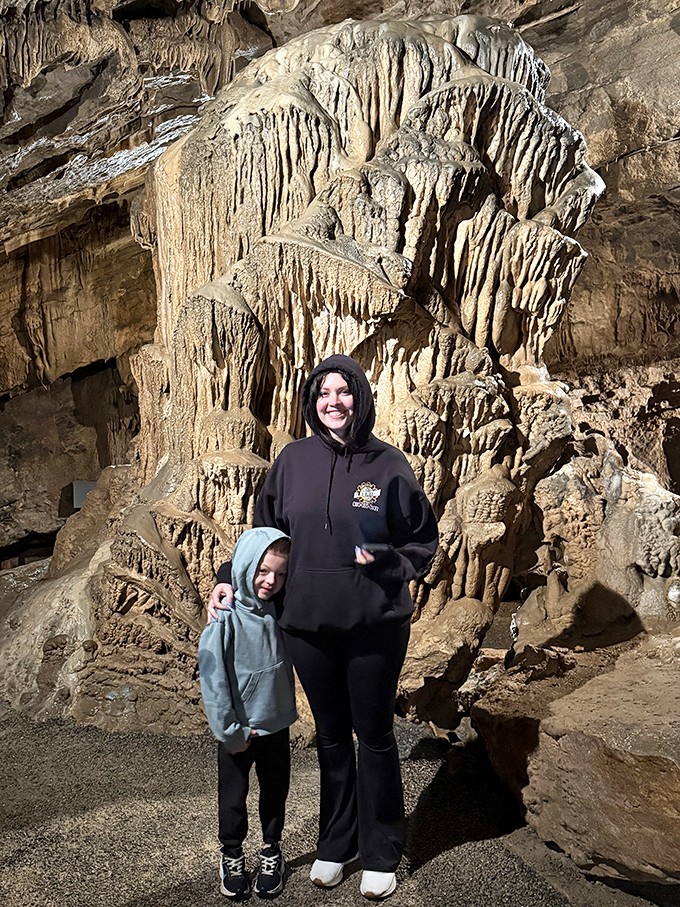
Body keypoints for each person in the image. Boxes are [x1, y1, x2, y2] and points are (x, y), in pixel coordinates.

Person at [207, 354, 438, 900]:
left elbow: (421, 540)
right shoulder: (292, 462)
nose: (334, 402)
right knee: (331, 738)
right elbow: (263, 535)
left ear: (360, 397)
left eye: (344, 391)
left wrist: (388, 563)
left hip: (374, 625)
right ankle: (336, 843)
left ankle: (381, 850)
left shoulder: (389, 465)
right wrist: (226, 577)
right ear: (312, 402)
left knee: (373, 736)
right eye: (324, 393)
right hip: (307, 627)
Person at [199, 527, 297, 899]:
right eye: (263, 571)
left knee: (275, 794)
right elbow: (213, 679)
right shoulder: (224, 616)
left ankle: (271, 850)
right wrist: (230, 732)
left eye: (280, 574)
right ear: (245, 567)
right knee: (233, 798)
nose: (271, 581)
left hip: (275, 726)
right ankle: (231, 854)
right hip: (239, 732)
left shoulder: (279, 609)